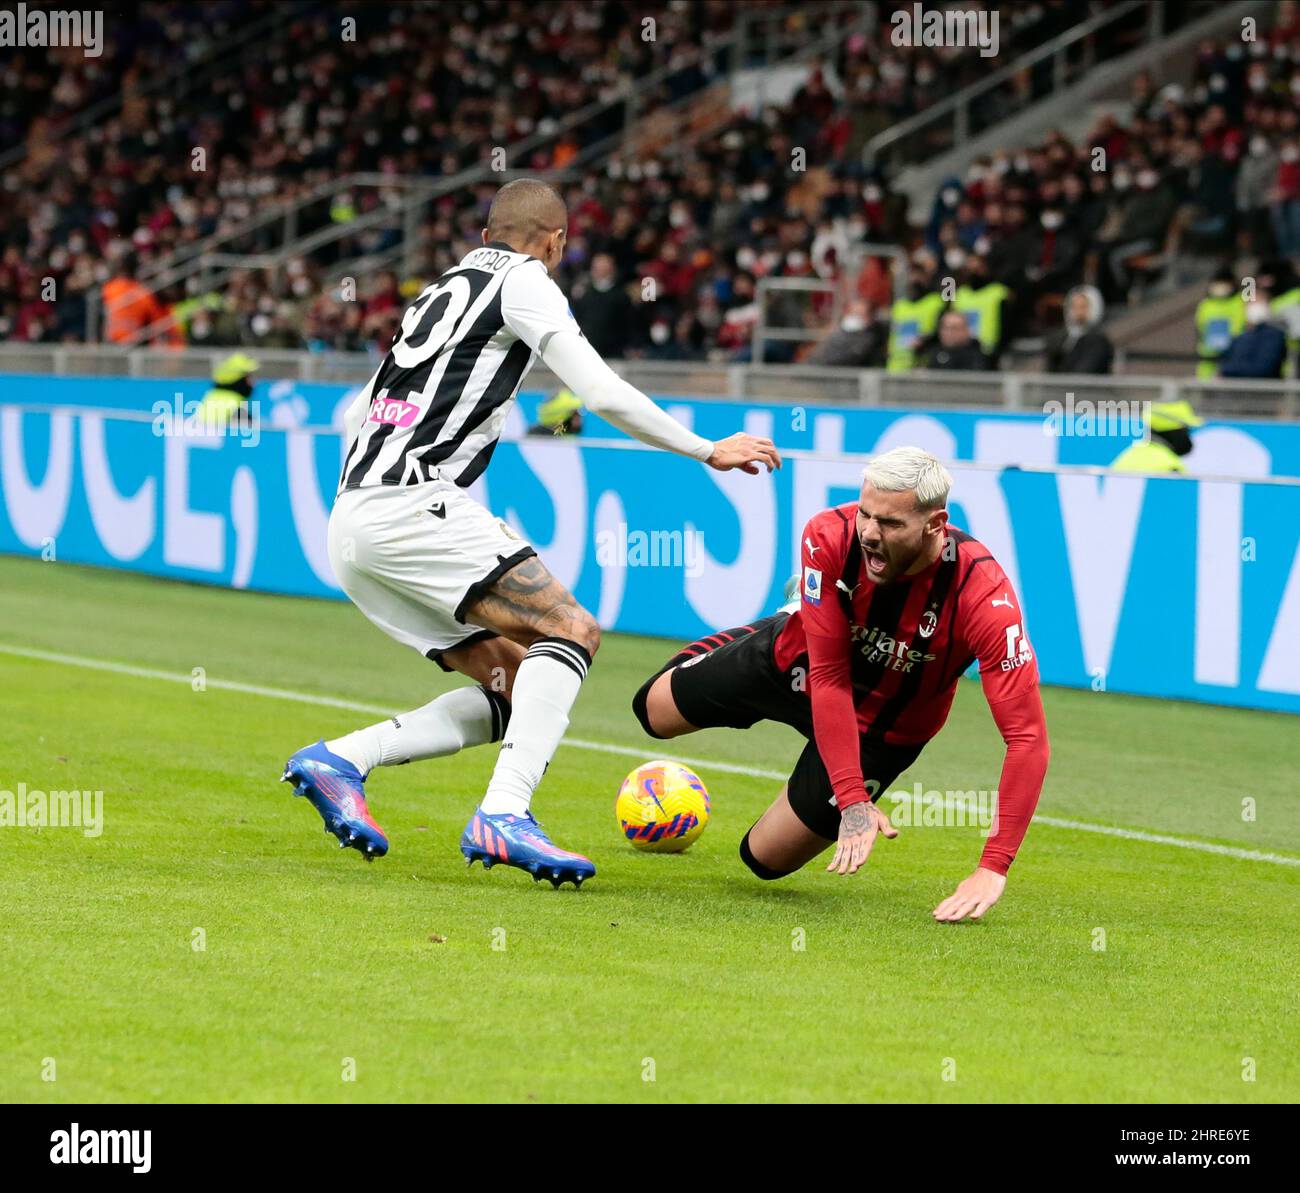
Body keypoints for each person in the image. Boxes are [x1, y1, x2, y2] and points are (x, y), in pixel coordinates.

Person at [281, 179, 779, 887]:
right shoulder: (527, 280)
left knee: (514, 681)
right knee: (571, 627)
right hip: (412, 504)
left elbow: (356, 411)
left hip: (354, 516)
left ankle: (342, 759)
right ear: (555, 242)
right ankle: (504, 813)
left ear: (485, 235)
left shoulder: (437, 291)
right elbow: (600, 392)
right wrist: (706, 448)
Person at [632, 447, 1050, 922]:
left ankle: (805, 611)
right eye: (865, 514)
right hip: (801, 665)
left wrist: (993, 866)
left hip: (883, 729)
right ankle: (796, 615)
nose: (870, 534)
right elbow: (830, 675)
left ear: (936, 524)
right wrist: (853, 801)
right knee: (650, 713)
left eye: (890, 524)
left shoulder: (984, 599)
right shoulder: (829, 535)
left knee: (764, 860)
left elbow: (1026, 738)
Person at [1111, 400, 1202, 473]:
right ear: (1173, 432)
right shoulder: (1170, 467)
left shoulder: (1128, 455)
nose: (1188, 436)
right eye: (1186, 430)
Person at [1044, 285, 1113, 374]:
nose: (1078, 312)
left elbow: (1084, 372)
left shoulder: (1098, 341)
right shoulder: (1063, 338)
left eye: (1083, 307)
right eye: (1074, 306)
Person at [1218, 301, 1288, 379]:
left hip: (1261, 387)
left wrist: (1228, 370)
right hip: (1236, 386)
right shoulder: (1241, 336)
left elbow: (1262, 368)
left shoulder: (1273, 336)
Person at [197, 353, 259, 429]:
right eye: (249, 376)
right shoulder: (237, 408)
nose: (253, 382)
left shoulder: (209, 397)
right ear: (238, 379)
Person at [924, 309, 992, 371]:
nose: (949, 333)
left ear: (966, 330)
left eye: (954, 328)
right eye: (945, 328)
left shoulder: (978, 357)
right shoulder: (932, 353)